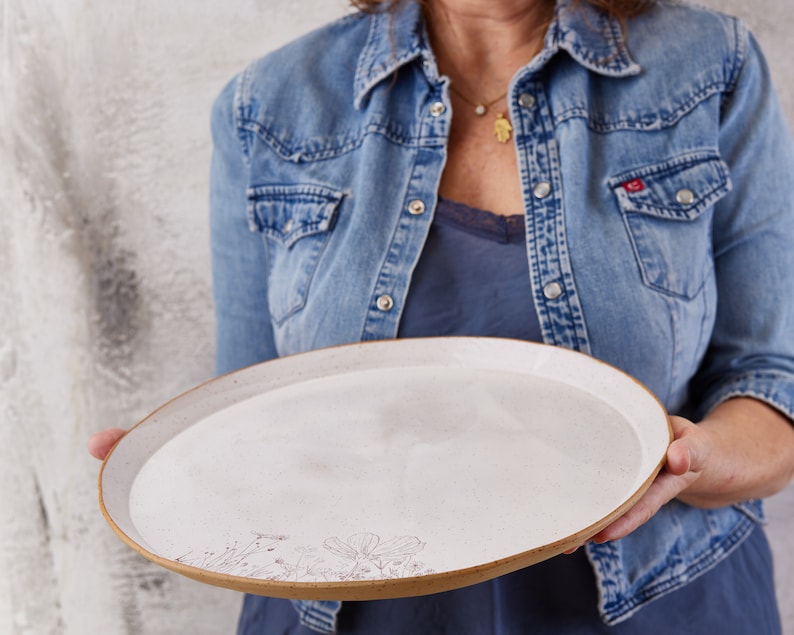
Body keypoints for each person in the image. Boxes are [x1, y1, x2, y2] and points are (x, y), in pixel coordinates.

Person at [90, 0, 794, 632]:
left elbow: (772, 385)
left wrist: (692, 460)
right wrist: (180, 464)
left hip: (662, 601)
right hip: (348, 614)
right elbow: (248, 405)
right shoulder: (268, 107)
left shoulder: (712, 67)